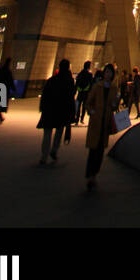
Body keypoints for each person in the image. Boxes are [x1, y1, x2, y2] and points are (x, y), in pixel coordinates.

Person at [84, 63, 120, 191]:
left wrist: (117, 101)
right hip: (96, 122)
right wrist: (92, 111)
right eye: (106, 72)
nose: (108, 74)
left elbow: (115, 106)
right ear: (103, 73)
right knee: (93, 150)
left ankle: (94, 174)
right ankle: (90, 176)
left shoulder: (114, 88)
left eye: (110, 72)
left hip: (105, 124)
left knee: (99, 152)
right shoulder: (96, 87)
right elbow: (89, 102)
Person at [37, 59, 76, 165]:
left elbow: (45, 95)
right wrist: (71, 114)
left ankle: (43, 156)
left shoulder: (51, 80)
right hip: (62, 111)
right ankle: (54, 149)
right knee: (59, 131)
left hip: (49, 110)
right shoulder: (69, 81)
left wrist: (42, 107)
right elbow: (71, 97)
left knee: (47, 133)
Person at [0, 58, 15, 123]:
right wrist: (13, 87)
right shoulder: (7, 71)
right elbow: (10, 80)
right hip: (3, 88)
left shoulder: (0, 70)